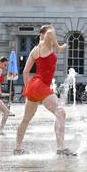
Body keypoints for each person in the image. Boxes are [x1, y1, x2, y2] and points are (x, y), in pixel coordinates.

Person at [13, 26, 75, 156]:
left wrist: (28, 90)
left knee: (25, 119)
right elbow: (50, 32)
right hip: (40, 84)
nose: (53, 35)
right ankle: (61, 148)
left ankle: (18, 149)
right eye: (49, 34)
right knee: (61, 112)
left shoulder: (35, 50)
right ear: (43, 34)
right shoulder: (44, 43)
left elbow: (25, 72)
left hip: (33, 85)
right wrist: (59, 47)